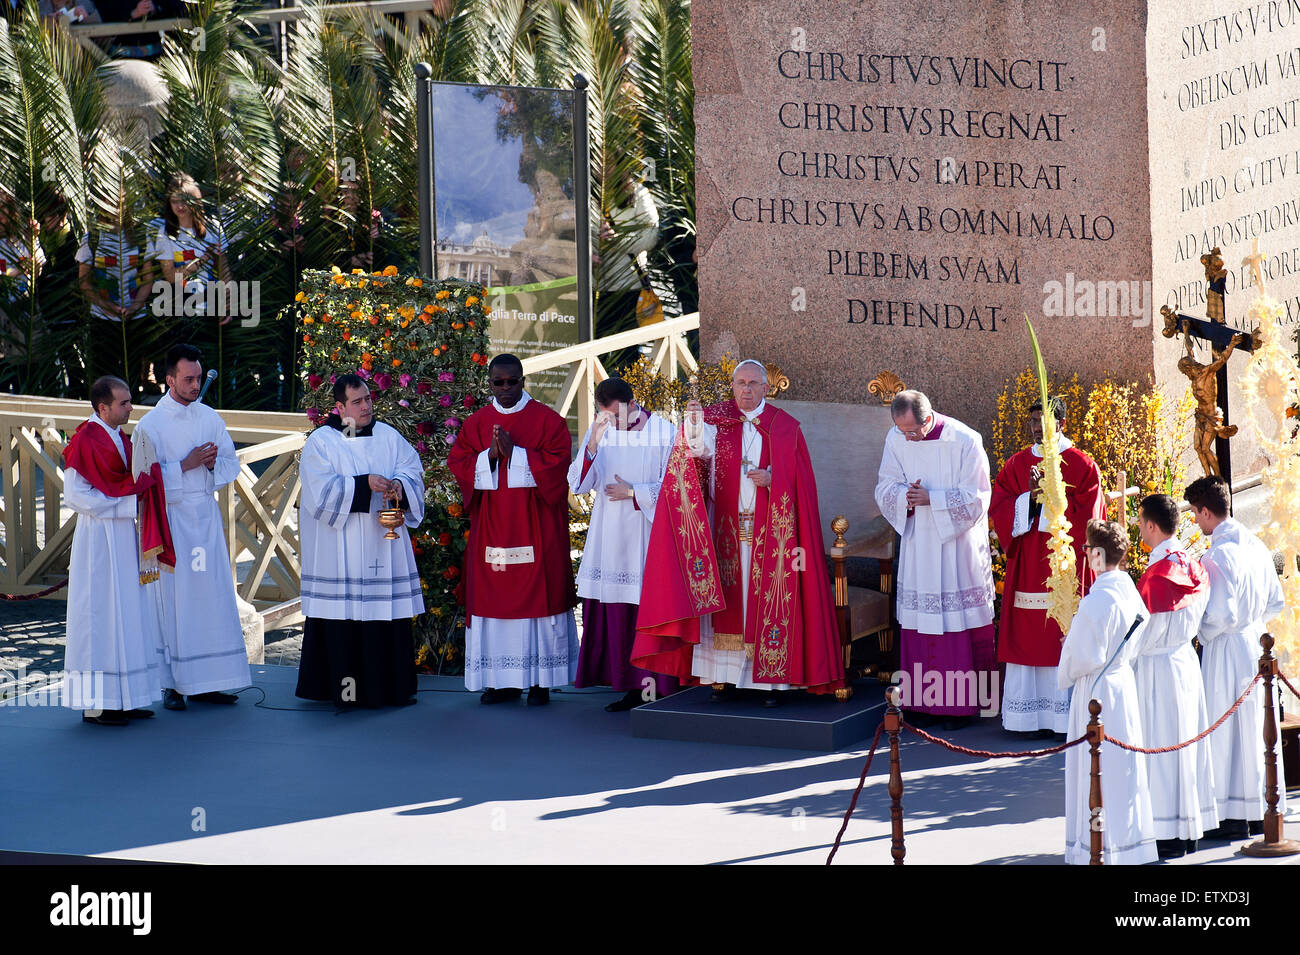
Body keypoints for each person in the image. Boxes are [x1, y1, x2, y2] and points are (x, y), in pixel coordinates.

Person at [632, 359, 844, 703]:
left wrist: (774, 480)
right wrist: (694, 426)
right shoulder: (717, 418)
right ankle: (724, 678)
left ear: (765, 388)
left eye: (753, 384)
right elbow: (696, 455)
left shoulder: (785, 427)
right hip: (723, 530)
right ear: (733, 386)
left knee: (768, 602)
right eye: (740, 383)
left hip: (771, 537)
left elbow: (802, 487)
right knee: (727, 604)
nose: (746, 390)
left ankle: (770, 683)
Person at [447, 354, 578, 705]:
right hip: (492, 527)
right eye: (498, 382)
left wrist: (516, 454)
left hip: (536, 524)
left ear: (523, 381)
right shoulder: (477, 423)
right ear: (489, 384)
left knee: (540, 598)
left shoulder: (548, 420)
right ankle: (501, 682)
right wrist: (489, 456)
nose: (506, 389)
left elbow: (558, 466)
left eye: (512, 381)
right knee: (493, 602)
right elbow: (458, 463)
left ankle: (539, 682)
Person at [295, 374, 425, 707]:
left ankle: (390, 690)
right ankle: (345, 694)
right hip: (340, 550)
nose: (366, 406)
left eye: (368, 398)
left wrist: (400, 485)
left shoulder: (388, 436)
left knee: (385, 616)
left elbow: (413, 470)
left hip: (383, 543)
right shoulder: (322, 442)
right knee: (344, 620)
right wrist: (364, 483)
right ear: (339, 408)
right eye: (357, 401)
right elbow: (319, 494)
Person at [134, 344, 249, 710]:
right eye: (188, 379)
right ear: (169, 380)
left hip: (205, 519)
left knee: (211, 597)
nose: (195, 384)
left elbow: (232, 464)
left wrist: (213, 463)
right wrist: (183, 465)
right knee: (176, 600)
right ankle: (173, 684)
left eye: (198, 378)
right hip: (172, 523)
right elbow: (141, 480)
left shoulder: (210, 417)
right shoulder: (150, 425)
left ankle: (210, 681)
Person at [875, 389, 996, 729]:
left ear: (928, 418)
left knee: (955, 620)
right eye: (903, 432)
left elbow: (977, 498)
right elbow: (885, 485)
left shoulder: (965, 440)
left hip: (955, 547)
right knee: (919, 622)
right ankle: (919, 701)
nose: (908, 438)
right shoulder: (896, 438)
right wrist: (905, 498)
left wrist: (934, 499)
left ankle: (959, 708)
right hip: (918, 543)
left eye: (913, 431)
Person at [989, 397, 1103, 736]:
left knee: (1060, 632)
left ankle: (1062, 717)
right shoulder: (1017, 464)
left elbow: (1090, 517)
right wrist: (1030, 498)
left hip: (1065, 564)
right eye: (1034, 422)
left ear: (1063, 424)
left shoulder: (1082, 465)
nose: (1038, 429)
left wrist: (1054, 499)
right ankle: (1027, 718)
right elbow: (1000, 506)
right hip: (1028, 562)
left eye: (1045, 423)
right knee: (1029, 632)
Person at [61, 376, 166, 724]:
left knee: (128, 612)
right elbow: (75, 495)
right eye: (123, 403)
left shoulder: (122, 439)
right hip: (98, 540)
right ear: (102, 407)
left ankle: (128, 696)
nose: (130, 407)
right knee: (100, 614)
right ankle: (97, 704)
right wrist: (123, 505)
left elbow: (129, 483)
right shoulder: (85, 440)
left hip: (124, 536)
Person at [1185, 474, 1285, 839]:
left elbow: (1218, 614)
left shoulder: (1217, 556)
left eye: (1196, 513)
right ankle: (1260, 807)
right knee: (1255, 729)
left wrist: (1199, 633)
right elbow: (1276, 600)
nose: (1195, 520)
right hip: (1255, 644)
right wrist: (1252, 619)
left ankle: (1229, 815)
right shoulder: (1256, 545)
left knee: (1225, 728)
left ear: (1208, 512)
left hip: (1225, 648)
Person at [569, 377, 676, 711]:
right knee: (616, 612)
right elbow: (578, 484)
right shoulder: (602, 432)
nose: (613, 422)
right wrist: (592, 446)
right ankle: (628, 686)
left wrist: (634, 492)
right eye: (606, 416)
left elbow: (677, 488)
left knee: (646, 610)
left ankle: (657, 687)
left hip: (646, 537)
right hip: (609, 538)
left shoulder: (663, 433)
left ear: (632, 403)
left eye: (617, 415)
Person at [1058, 519, 1157, 865]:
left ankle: (1097, 850)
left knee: (1095, 772)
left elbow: (1080, 659)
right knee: (1122, 774)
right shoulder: (1130, 592)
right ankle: (1128, 848)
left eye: (1086, 550)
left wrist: (1067, 650)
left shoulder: (1095, 603)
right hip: (1123, 687)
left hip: (1096, 692)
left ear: (1097, 555)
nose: (1085, 555)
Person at [1134, 493, 1218, 858]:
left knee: (1162, 748)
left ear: (1152, 526)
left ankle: (1166, 830)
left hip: (1157, 670)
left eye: (1139, 521)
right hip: (1186, 661)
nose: (1138, 526)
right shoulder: (1194, 565)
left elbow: (1141, 635)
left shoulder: (1156, 576)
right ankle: (1190, 827)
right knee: (1186, 744)